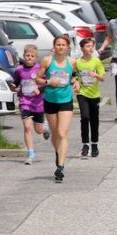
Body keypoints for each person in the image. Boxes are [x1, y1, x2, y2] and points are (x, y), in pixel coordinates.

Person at [37, 35, 79, 183]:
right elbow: (37, 79)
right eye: (58, 45)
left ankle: (60, 166)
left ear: (67, 47)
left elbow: (73, 76)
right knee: (55, 134)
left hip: (65, 100)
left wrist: (76, 83)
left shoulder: (72, 62)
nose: (61, 47)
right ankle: (58, 152)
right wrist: (48, 81)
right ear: (54, 47)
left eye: (63, 45)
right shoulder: (47, 61)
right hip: (50, 100)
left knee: (62, 133)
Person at [11, 44, 46, 165]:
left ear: (36, 57)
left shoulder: (39, 68)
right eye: (27, 55)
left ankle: (45, 126)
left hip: (37, 103)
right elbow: (16, 82)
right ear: (24, 56)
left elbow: (47, 83)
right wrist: (15, 87)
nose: (29, 58)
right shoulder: (19, 70)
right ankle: (31, 153)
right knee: (27, 127)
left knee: (39, 130)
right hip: (25, 102)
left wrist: (40, 90)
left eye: (32, 56)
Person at [74, 38, 106, 158]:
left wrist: (96, 74)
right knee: (85, 117)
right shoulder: (78, 62)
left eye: (92, 46)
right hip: (82, 93)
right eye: (87, 46)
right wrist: (76, 82)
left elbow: (103, 78)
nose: (90, 48)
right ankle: (85, 144)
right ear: (82, 48)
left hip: (94, 95)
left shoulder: (96, 61)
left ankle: (94, 144)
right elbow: (74, 76)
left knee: (94, 120)